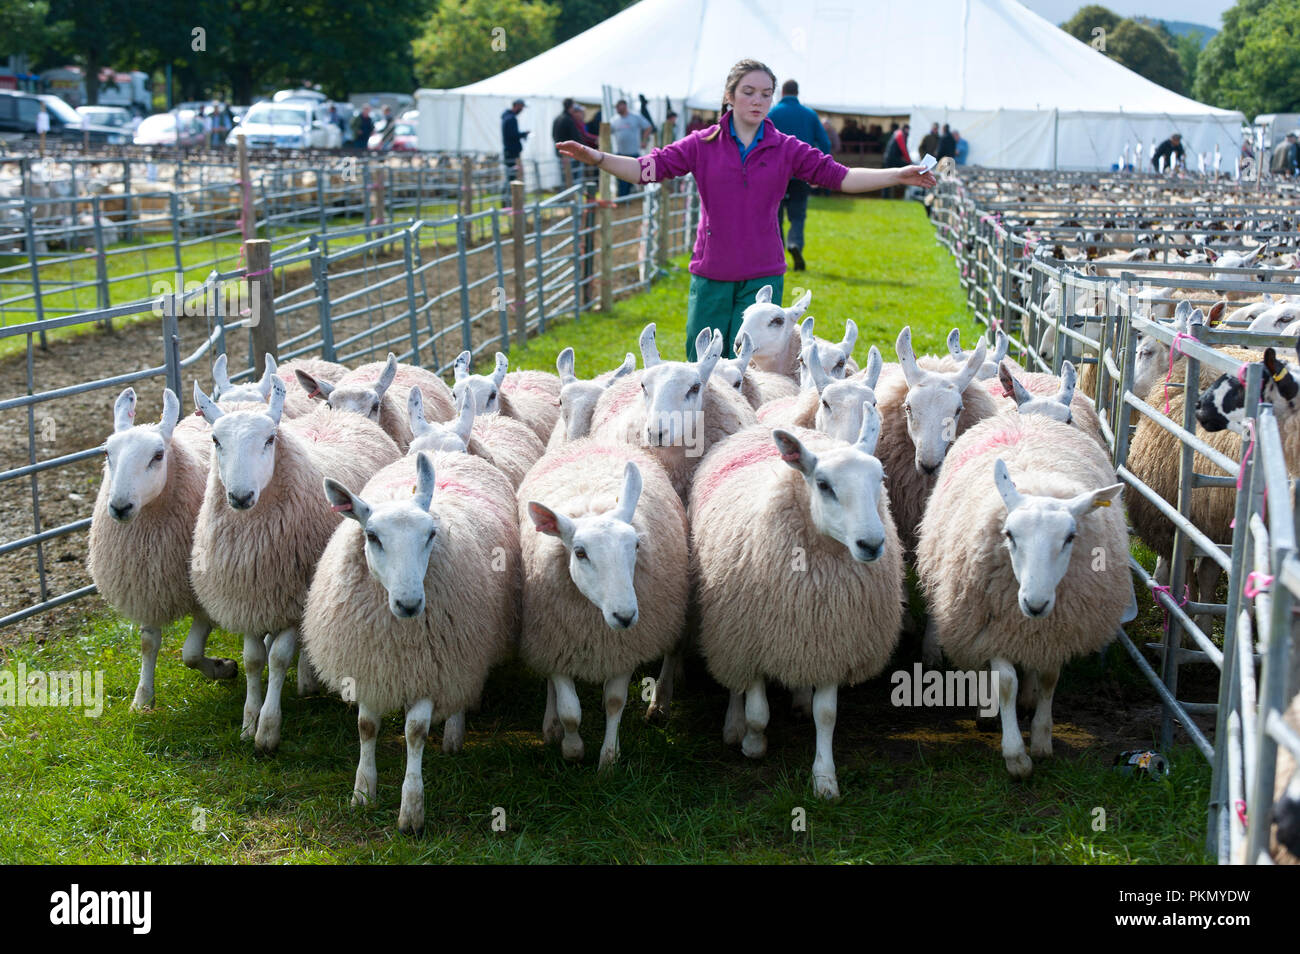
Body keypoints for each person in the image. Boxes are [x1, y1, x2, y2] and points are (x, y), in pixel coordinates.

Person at [556, 58, 935, 360]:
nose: (757, 101)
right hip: (712, 274)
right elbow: (644, 169)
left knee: (756, 371)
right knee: (703, 364)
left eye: (765, 94)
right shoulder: (700, 144)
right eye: (749, 92)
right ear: (730, 95)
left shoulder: (787, 147)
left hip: (763, 277)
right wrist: (599, 157)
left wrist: (897, 175)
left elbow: (842, 176)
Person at [768, 78, 832, 272]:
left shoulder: (771, 113)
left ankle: (775, 254)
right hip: (801, 175)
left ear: (782, 93)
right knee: (798, 215)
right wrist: (818, 171)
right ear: (797, 92)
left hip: (774, 175)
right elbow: (825, 143)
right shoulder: (810, 114)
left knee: (774, 216)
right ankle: (794, 244)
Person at [610, 98, 653, 197]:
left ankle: (635, 195)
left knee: (634, 175)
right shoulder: (614, 120)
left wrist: (644, 140)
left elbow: (648, 127)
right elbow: (608, 131)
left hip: (633, 152)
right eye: (616, 107)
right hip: (620, 153)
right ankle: (623, 196)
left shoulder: (635, 117)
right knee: (621, 177)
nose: (617, 109)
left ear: (624, 106)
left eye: (618, 106)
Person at [501, 99, 529, 197]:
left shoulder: (507, 117)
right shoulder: (511, 118)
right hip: (512, 152)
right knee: (511, 177)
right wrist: (523, 134)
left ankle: (509, 200)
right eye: (521, 107)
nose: (522, 109)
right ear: (517, 105)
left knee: (511, 176)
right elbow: (512, 135)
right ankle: (508, 200)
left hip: (510, 151)